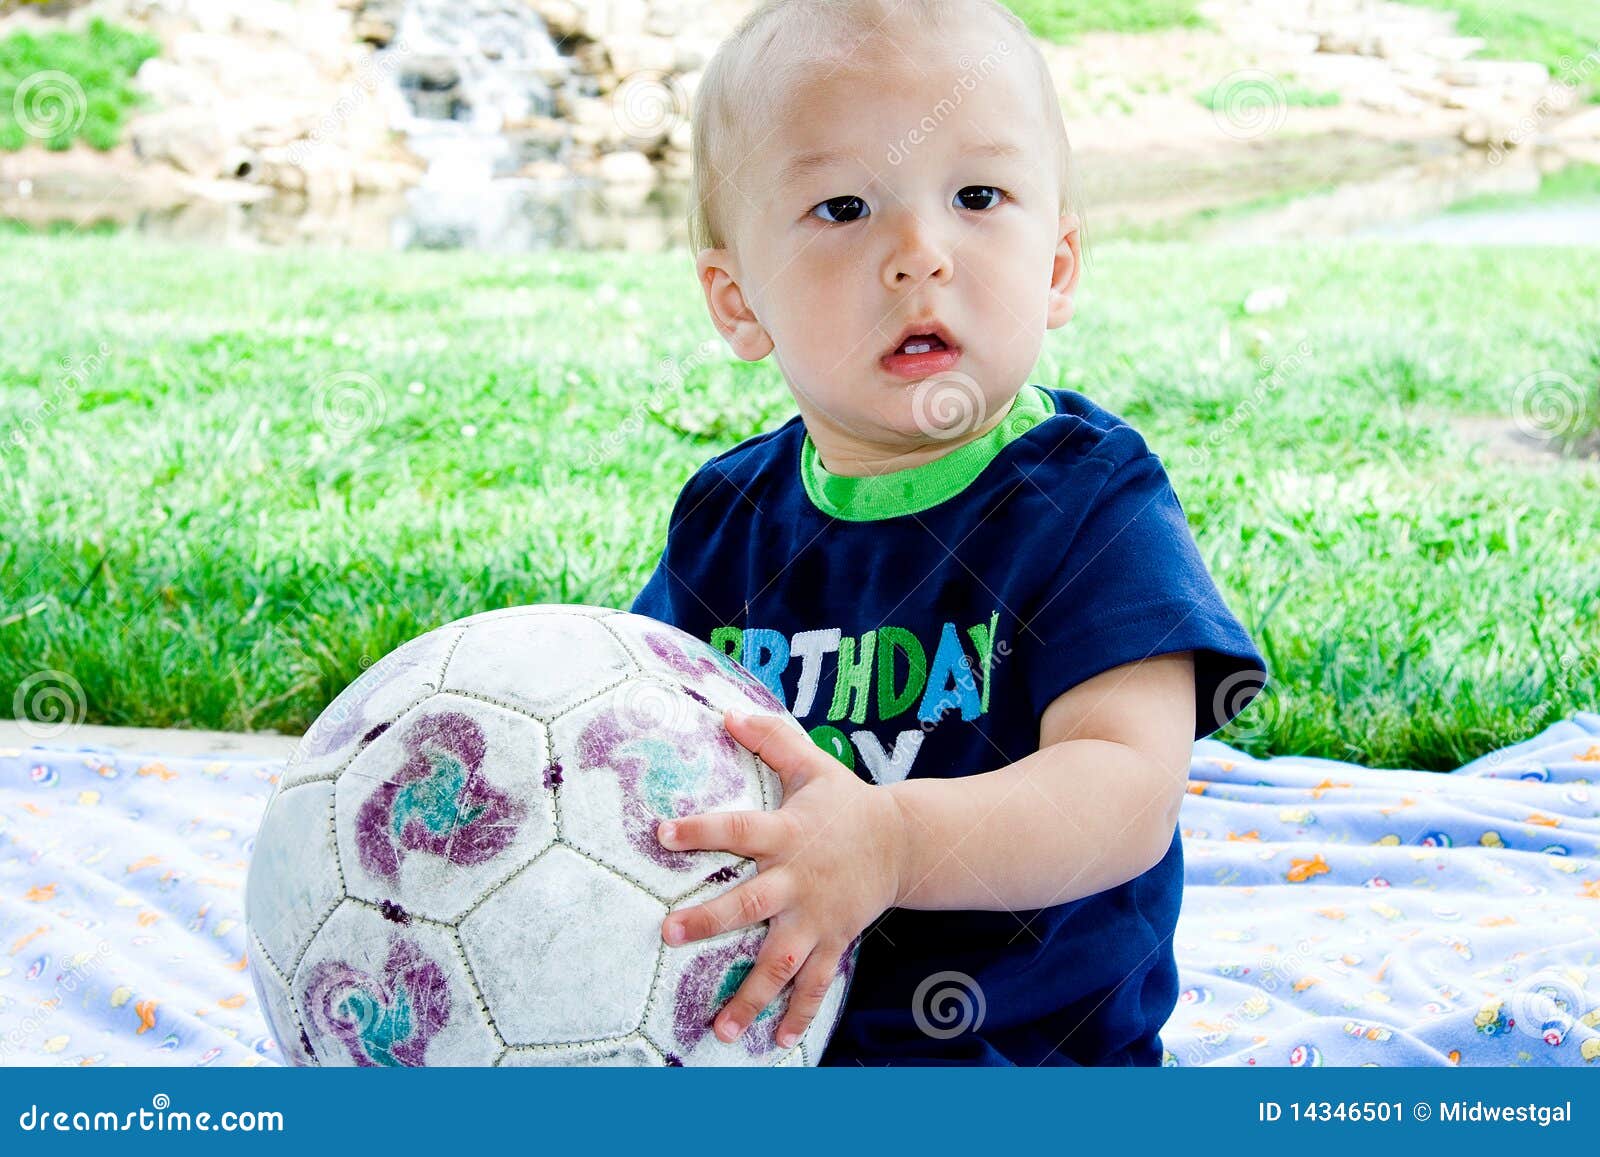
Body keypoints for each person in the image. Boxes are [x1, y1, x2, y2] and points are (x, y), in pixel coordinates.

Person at [630, 0, 1269, 1066]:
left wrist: (891, 843)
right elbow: (633, 733)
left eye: (977, 195)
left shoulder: (1087, 503)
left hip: (1020, 1061)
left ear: (1057, 267)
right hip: (757, 1044)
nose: (918, 253)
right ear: (738, 301)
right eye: (842, 206)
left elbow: (1123, 792)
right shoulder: (727, 519)